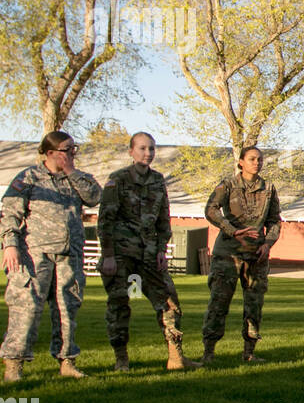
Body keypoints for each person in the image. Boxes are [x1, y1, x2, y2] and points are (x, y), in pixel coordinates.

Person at [0, 131, 102, 381]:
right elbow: (10, 214)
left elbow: (94, 197)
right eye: (67, 150)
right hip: (35, 254)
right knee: (27, 308)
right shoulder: (28, 178)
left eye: (74, 149)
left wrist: (71, 172)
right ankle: (14, 364)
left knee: (67, 309)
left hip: (69, 256)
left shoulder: (77, 178)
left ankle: (67, 361)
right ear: (51, 152)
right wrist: (10, 245)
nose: (72, 154)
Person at [98, 131, 197, 372]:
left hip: (150, 255)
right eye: (142, 148)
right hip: (121, 255)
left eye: (151, 149)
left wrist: (162, 249)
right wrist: (108, 255)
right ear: (131, 151)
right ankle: (121, 359)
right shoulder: (117, 180)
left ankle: (176, 357)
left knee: (169, 301)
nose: (148, 153)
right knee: (119, 305)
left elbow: (164, 218)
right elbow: (105, 220)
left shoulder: (157, 180)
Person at [201, 146, 282, 365]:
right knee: (219, 303)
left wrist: (268, 243)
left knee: (254, 305)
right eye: (252, 159)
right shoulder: (228, 185)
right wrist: (231, 230)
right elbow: (210, 210)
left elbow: (275, 220)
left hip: (256, 256)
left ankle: (249, 352)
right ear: (241, 162)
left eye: (260, 159)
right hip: (228, 255)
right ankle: (209, 352)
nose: (257, 163)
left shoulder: (269, 188)